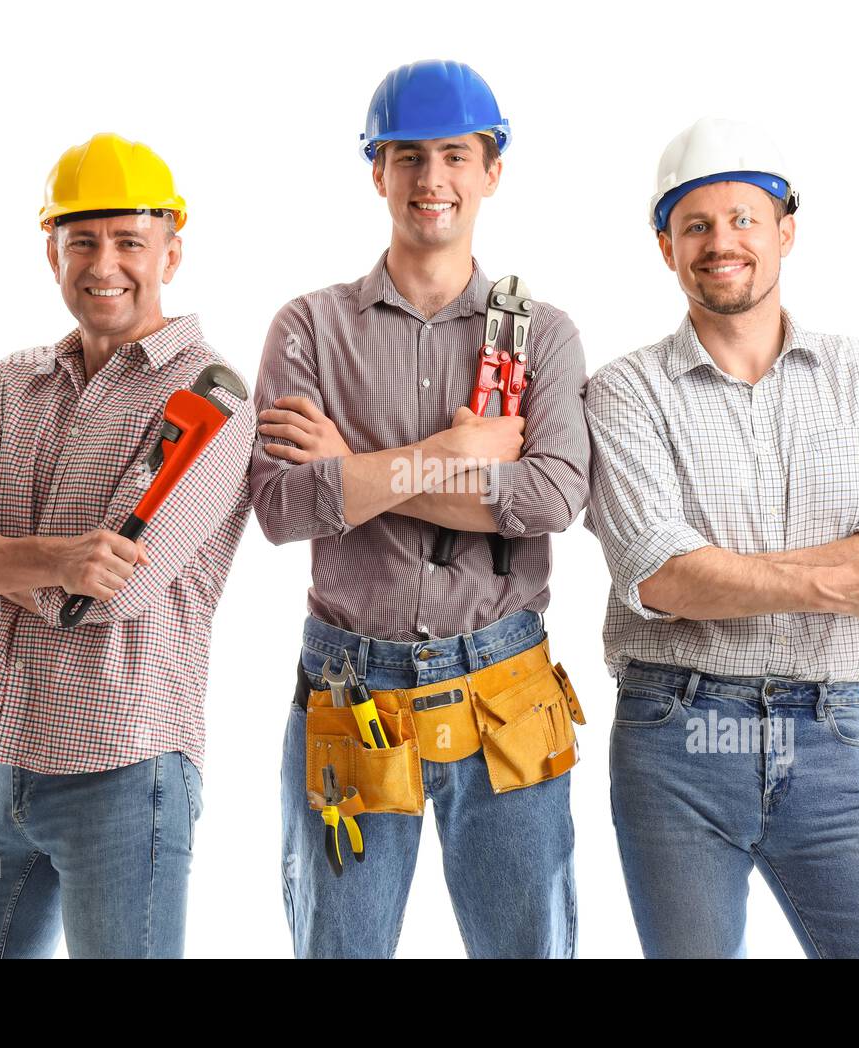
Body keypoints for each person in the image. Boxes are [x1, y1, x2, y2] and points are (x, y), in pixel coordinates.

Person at [585, 117, 859, 958]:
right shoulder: (624, 393)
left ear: (786, 229)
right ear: (666, 245)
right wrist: (835, 576)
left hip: (830, 742)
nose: (723, 243)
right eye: (697, 225)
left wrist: (723, 571)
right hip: (673, 742)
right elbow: (666, 578)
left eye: (744, 219)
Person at [251, 60, 592, 958]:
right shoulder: (307, 329)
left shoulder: (544, 334)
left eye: (454, 156)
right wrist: (448, 457)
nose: (431, 181)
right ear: (378, 172)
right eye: (408, 158)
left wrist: (355, 476)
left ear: (491, 171)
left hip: (506, 689)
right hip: (348, 689)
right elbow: (284, 508)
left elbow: (551, 496)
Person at [0, 132, 255, 958]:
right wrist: (58, 557)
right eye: (83, 240)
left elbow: (104, 595)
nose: (106, 264)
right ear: (51, 251)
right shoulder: (12, 382)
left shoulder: (209, 397)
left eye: (130, 241)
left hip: (125, 770)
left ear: (172, 251)